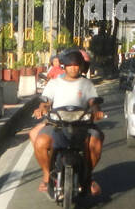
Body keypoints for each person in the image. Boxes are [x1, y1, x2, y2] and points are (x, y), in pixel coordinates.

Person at [33, 49, 105, 196]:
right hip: (57, 124)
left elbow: (93, 102)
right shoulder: (54, 83)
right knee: (40, 142)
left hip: (82, 124)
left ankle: (88, 177)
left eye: (77, 65)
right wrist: (41, 109)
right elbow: (46, 101)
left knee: (96, 142)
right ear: (64, 67)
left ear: (82, 67)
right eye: (70, 65)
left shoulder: (87, 84)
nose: (73, 68)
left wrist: (97, 110)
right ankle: (46, 176)